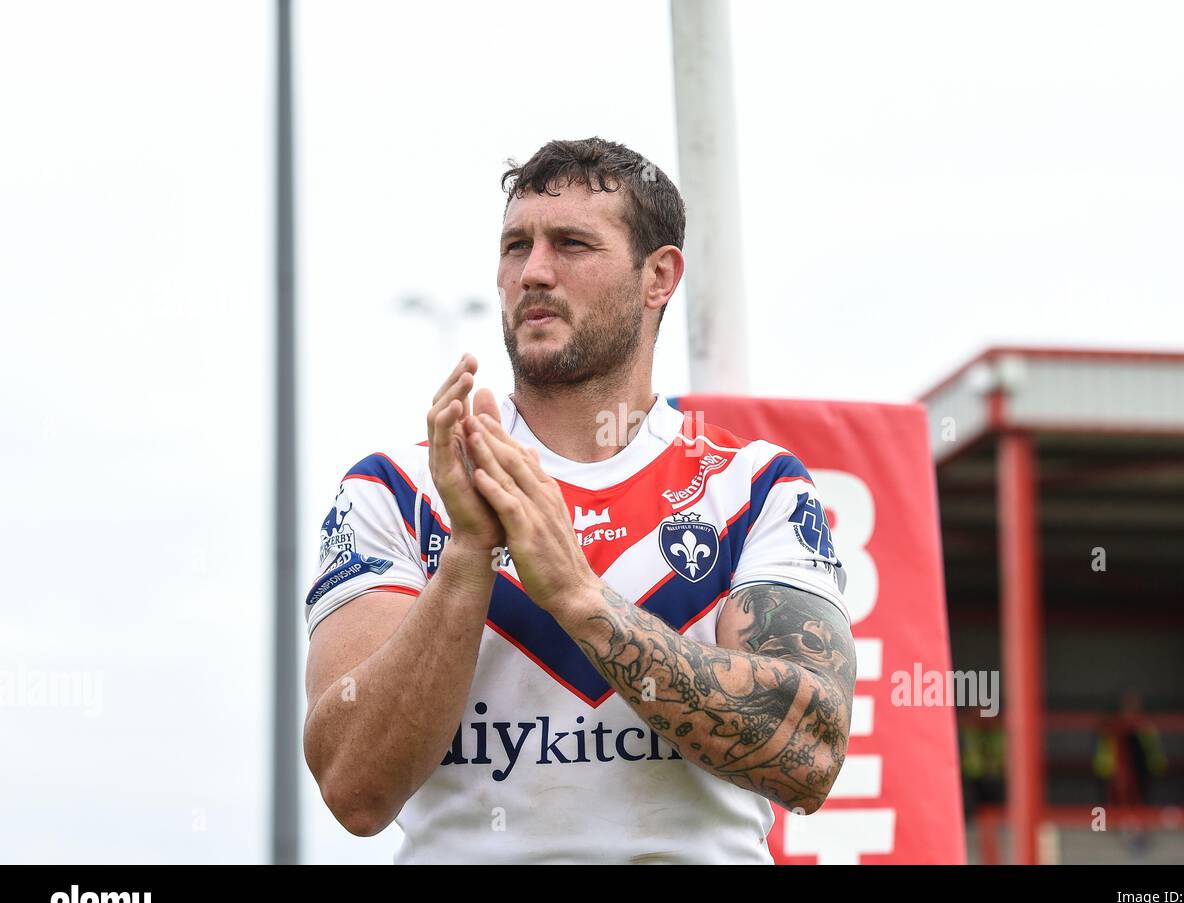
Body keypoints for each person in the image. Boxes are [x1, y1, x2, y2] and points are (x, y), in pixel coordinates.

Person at [301, 137, 855, 864]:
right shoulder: (395, 490)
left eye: (570, 244)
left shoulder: (756, 487)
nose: (533, 272)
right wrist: (468, 557)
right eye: (515, 246)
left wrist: (581, 600)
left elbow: (810, 754)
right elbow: (354, 791)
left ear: (659, 276)